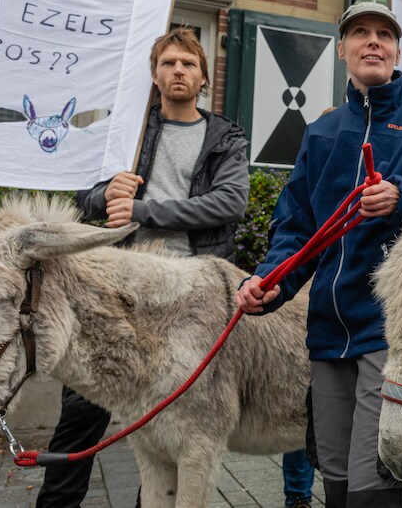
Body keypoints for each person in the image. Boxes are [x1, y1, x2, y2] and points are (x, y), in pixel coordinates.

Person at [235, 1, 402, 508]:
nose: (373, 42)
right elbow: (296, 226)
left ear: (397, 50)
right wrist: (270, 281)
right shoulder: (322, 133)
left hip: (395, 331)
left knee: (377, 488)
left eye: (384, 34)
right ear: (342, 50)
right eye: (360, 33)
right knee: (339, 485)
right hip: (328, 333)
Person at [37, 27, 252, 507]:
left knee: (172, 425)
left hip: (191, 299)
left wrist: (142, 210)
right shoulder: (129, 130)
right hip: (116, 291)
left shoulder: (224, 138)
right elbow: (85, 197)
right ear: (154, 75)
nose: (179, 70)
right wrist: (107, 194)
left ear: (203, 78)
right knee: (80, 416)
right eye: (169, 63)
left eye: (188, 64)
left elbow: (230, 202)